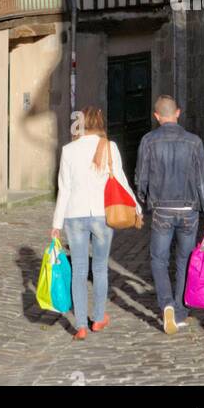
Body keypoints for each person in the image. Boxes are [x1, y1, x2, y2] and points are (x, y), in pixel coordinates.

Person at [50, 105, 141, 340]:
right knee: (100, 268)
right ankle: (98, 318)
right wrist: (137, 208)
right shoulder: (110, 147)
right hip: (102, 215)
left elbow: (64, 189)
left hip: (74, 215)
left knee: (79, 270)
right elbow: (120, 180)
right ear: (100, 123)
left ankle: (80, 324)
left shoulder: (68, 150)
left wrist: (56, 224)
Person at [135, 94, 204, 336]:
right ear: (178, 113)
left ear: (157, 116)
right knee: (184, 260)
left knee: (159, 260)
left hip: (162, 209)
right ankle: (180, 312)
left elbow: (142, 177)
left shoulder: (148, 141)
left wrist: (143, 199)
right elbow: (203, 182)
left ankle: (167, 305)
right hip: (188, 211)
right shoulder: (194, 142)